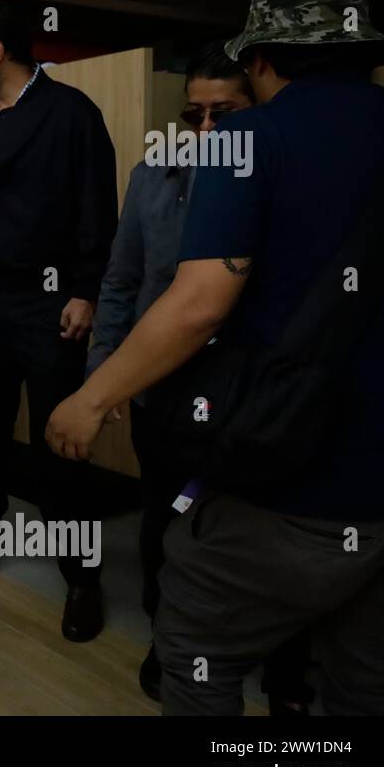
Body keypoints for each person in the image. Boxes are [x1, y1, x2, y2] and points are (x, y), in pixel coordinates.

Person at [47, 0, 384, 714]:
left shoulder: (251, 138)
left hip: (295, 477)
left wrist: (91, 397)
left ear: (263, 62)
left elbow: (199, 303)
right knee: (369, 685)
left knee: (196, 651)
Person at [87, 40, 313, 711]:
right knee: (168, 526)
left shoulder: (285, 176)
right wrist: (105, 374)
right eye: (196, 116)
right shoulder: (152, 177)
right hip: (170, 392)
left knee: (273, 540)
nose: (211, 131)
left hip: (260, 398)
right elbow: (122, 280)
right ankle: (172, 640)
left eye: (227, 112)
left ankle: (289, 676)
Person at [0, 0, 117, 641]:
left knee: (59, 437)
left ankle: (81, 574)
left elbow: (98, 208)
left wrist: (86, 290)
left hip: (49, 302)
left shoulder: (71, 115)